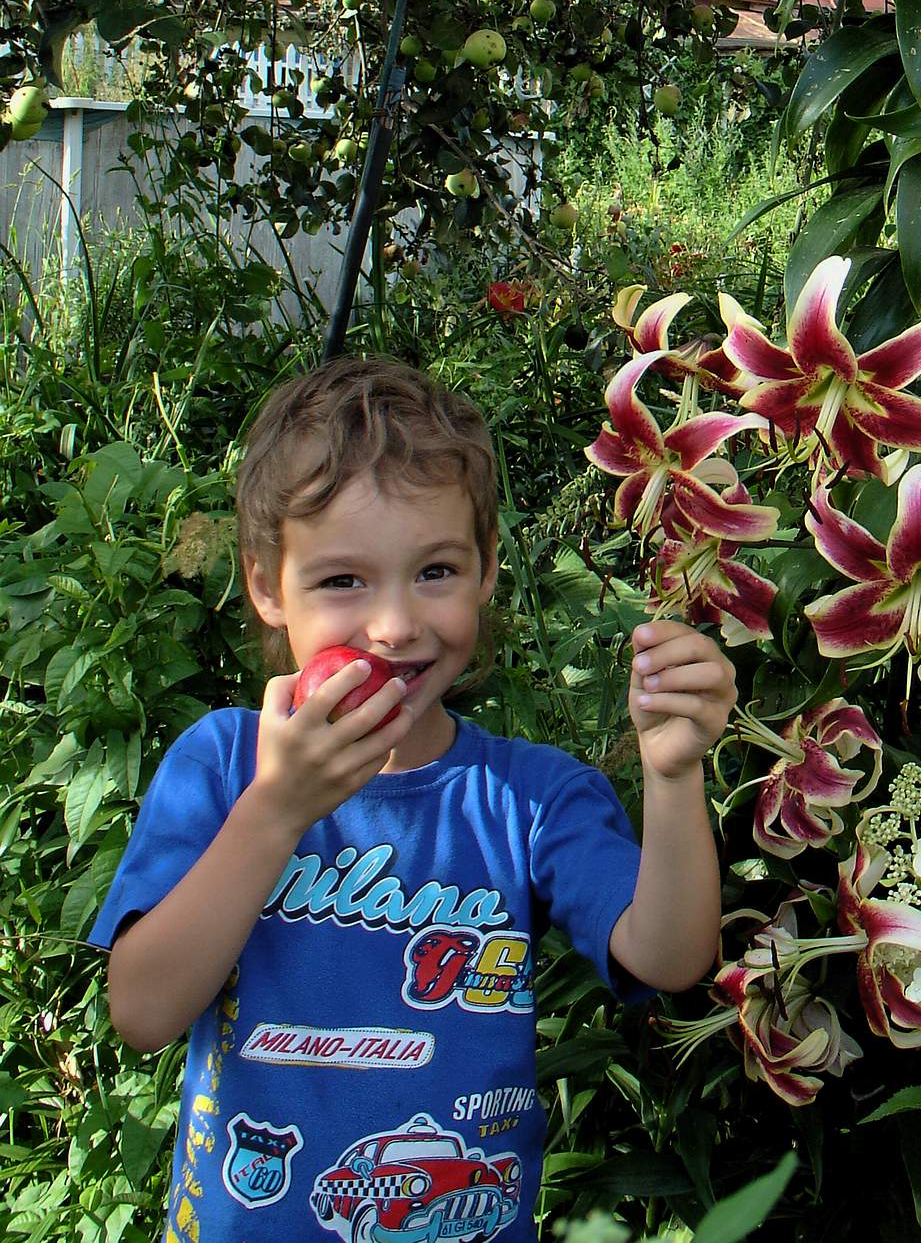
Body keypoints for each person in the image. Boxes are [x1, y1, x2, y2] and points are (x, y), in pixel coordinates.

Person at [89, 356, 736, 1243]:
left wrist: (671, 777)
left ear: (487, 573)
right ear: (266, 586)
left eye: (434, 570)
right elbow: (142, 1012)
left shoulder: (530, 798)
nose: (395, 625)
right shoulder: (224, 766)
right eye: (343, 581)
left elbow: (668, 955)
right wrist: (277, 810)